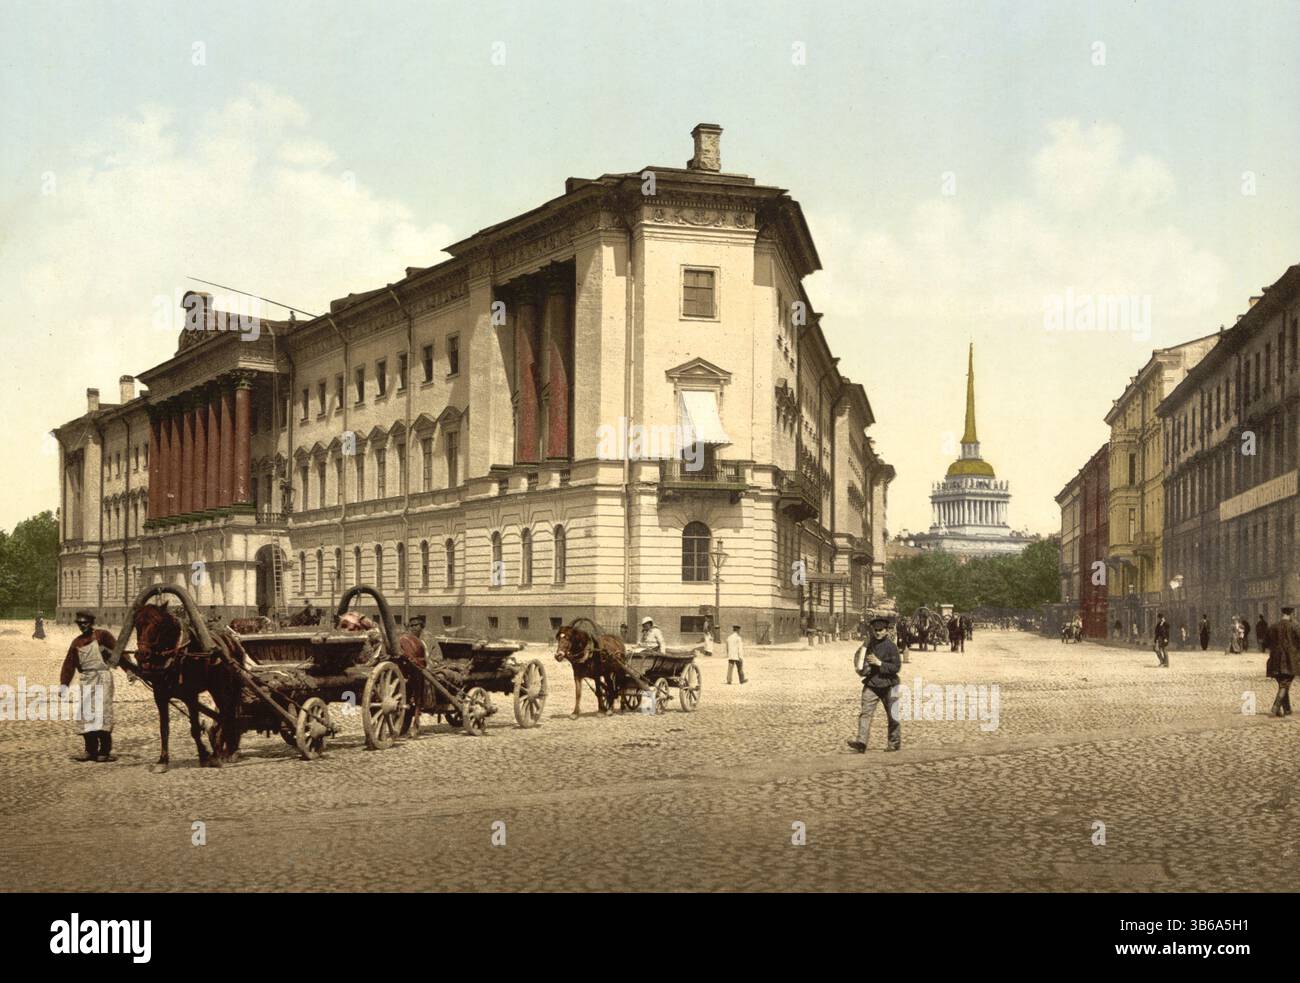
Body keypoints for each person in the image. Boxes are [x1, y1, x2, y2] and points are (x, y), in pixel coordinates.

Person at [58, 610, 120, 762]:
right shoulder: (76, 642)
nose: (82, 626)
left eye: (85, 623)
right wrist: (64, 684)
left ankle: (104, 751)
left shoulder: (102, 636)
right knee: (86, 714)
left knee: (102, 713)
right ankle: (90, 751)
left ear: (91, 623)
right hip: (86, 679)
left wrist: (130, 670)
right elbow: (69, 664)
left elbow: (119, 653)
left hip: (102, 677)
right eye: (79, 623)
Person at [847, 617, 902, 753]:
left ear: (886, 631)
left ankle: (894, 742)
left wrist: (880, 663)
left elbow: (896, 667)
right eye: (875, 630)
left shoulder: (891, 647)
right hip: (872, 683)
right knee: (865, 713)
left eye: (880, 630)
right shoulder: (868, 644)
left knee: (893, 715)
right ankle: (861, 743)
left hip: (889, 685)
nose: (878, 633)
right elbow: (859, 658)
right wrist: (862, 667)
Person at [1265, 607, 1299, 717]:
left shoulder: (1273, 626)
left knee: (1282, 684)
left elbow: (1266, 643)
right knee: (1285, 684)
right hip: (1290, 660)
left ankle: (1287, 709)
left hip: (1275, 660)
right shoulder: (1295, 626)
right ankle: (1275, 708)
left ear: (1282, 614)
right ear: (1292, 614)